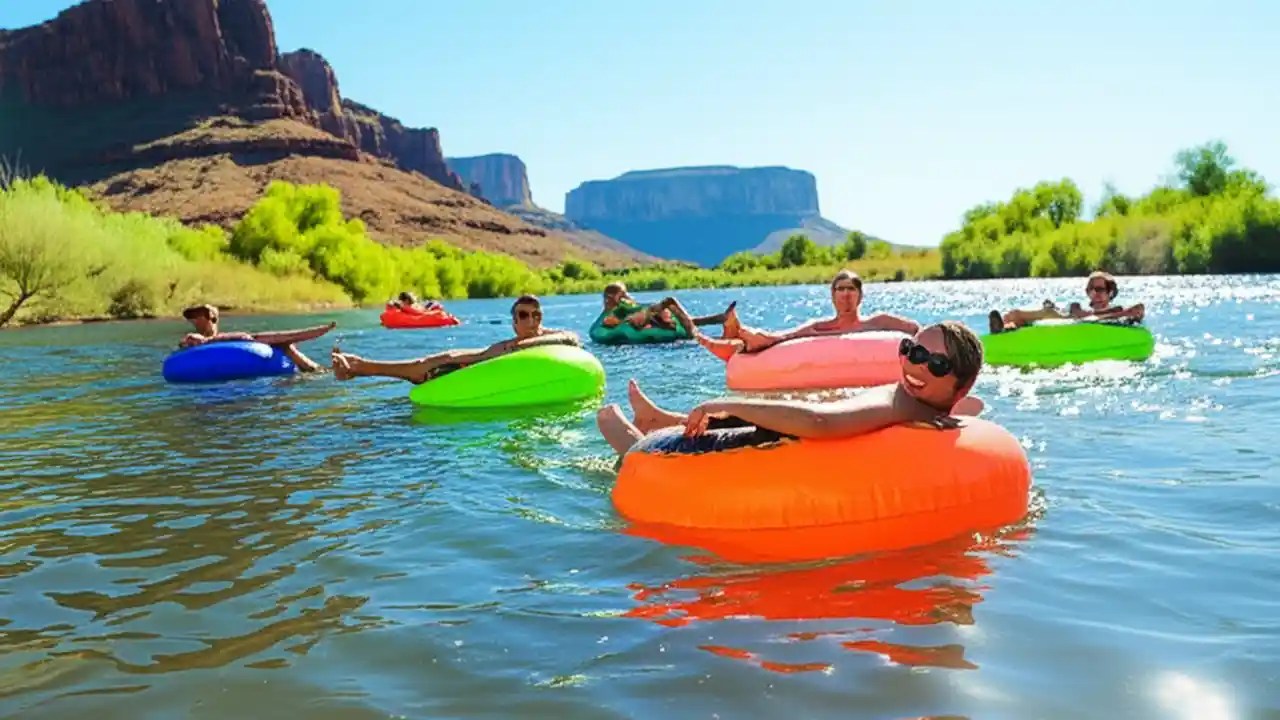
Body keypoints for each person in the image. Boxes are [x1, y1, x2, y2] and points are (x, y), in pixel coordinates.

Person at [597, 320, 987, 456]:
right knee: (645, 452)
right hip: (772, 431)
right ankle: (652, 423)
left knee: (640, 451)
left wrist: (724, 400)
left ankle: (639, 434)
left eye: (935, 363)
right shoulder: (922, 400)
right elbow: (970, 405)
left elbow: (818, 422)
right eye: (911, 350)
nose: (915, 365)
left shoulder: (901, 406)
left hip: (766, 441)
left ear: (961, 381)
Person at [332, 294, 579, 384]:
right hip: (471, 365)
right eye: (523, 315)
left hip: (490, 364)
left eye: (536, 315)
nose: (530, 320)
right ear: (514, 323)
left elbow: (571, 337)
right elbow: (482, 357)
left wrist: (524, 345)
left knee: (423, 366)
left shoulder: (548, 337)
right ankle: (356, 366)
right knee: (422, 368)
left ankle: (357, 366)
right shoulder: (506, 345)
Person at [683, 269, 921, 361]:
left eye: (851, 289)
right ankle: (736, 337)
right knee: (771, 339)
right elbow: (784, 338)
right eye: (841, 289)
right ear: (832, 296)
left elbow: (916, 329)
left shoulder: (879, 323)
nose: (846, 294)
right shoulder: (821, 327)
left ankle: (738, 336)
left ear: (860, 296)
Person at [178, 304, 332, 373]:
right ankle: (315, 368)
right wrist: (193, 342)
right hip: (243, 342)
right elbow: (184, 344)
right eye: (195, 317)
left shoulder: (218, 337)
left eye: (200, 316)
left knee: (285, 345)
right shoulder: (196, 339)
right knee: (283, 342)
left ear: (211, 319)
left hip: (247, 342)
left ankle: (315, 370)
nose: (196, 321)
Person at [987, 270, 1146, 334]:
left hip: (1085, 327)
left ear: (1110, 292)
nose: (1094, 293)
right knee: (1017, 314)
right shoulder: (1077, 305)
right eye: (1091, 289)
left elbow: (1138, 309)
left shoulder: (1117, 309)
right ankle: (1003, 329)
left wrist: (1132, 315)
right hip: (1065, 319)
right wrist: (1123, 313)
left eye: (1100, 289)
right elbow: (1083, 315)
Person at [598, 282, 732, 332]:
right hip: (636, 323)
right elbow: (620, 323)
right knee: (669, 302)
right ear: (611, 297)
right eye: (623, 295)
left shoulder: (624, 307)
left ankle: (720, 318)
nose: (627, 297)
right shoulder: (608, 315)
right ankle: (694, 333)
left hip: (643, 320)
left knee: (678, 317)